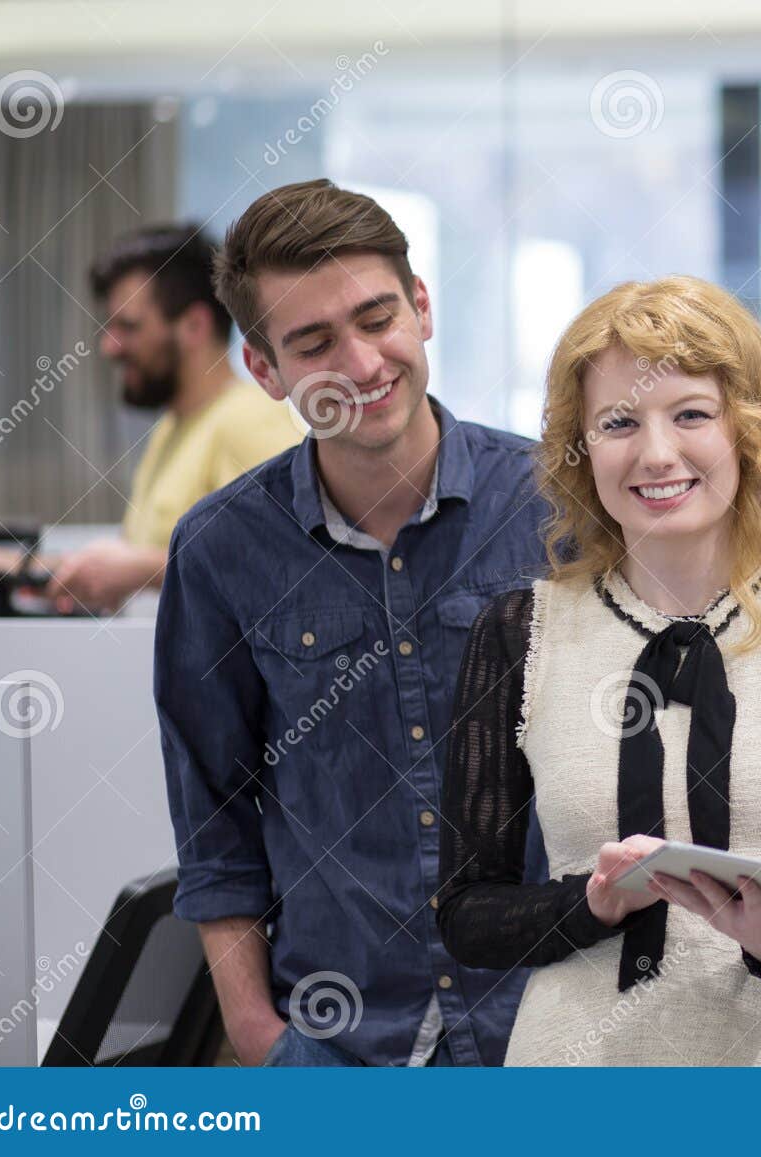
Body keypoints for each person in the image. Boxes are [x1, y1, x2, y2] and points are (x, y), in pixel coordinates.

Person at [437, 276, 761, 1066]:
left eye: (692, 414)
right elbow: (467, 909)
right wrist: (592, 904)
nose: (656, 452)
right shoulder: (517, 631)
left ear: (747, 428)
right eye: (619, 422)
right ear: (583, 447)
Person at [156, 180, 547, 1067]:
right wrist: (261, 1038)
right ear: (265, 370)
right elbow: (213, 821)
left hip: (549, 1030)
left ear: (421, 307)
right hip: (339, 1052)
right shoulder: (220, 549)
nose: (364, 364)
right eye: (314, 342)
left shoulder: (555, 507)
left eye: (377, 319)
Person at [0, 226, 302, 611]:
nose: (108, 346)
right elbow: (138, 562)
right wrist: (15, 565)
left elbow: (291, 562)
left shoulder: (247, 420)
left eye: (128, 327)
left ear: (194, 326)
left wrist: (143, 570)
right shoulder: (174, 426)